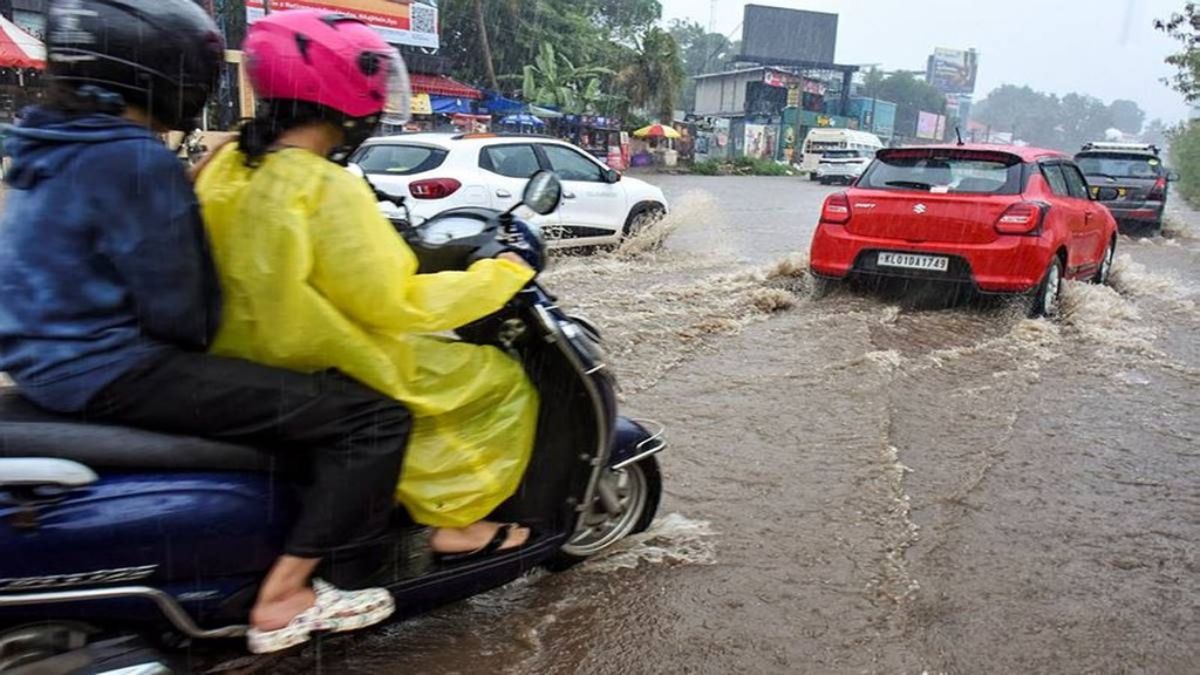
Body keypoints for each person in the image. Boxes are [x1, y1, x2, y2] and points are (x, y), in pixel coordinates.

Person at [0, 0, 409, 654]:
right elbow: (186, 318)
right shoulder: (136, 160)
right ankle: (286, 594)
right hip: (112, 368)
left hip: (44, 362)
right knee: (372, 418)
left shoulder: (46, 136)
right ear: (162, 73)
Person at [193, 10, 540, 560]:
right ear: (353, 90)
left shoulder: (229, 162)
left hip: (242, 355)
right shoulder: (326, 186)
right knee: (490, 379)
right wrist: (504, 272)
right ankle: (460, 520)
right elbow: (397, 302)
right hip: (321, 355)